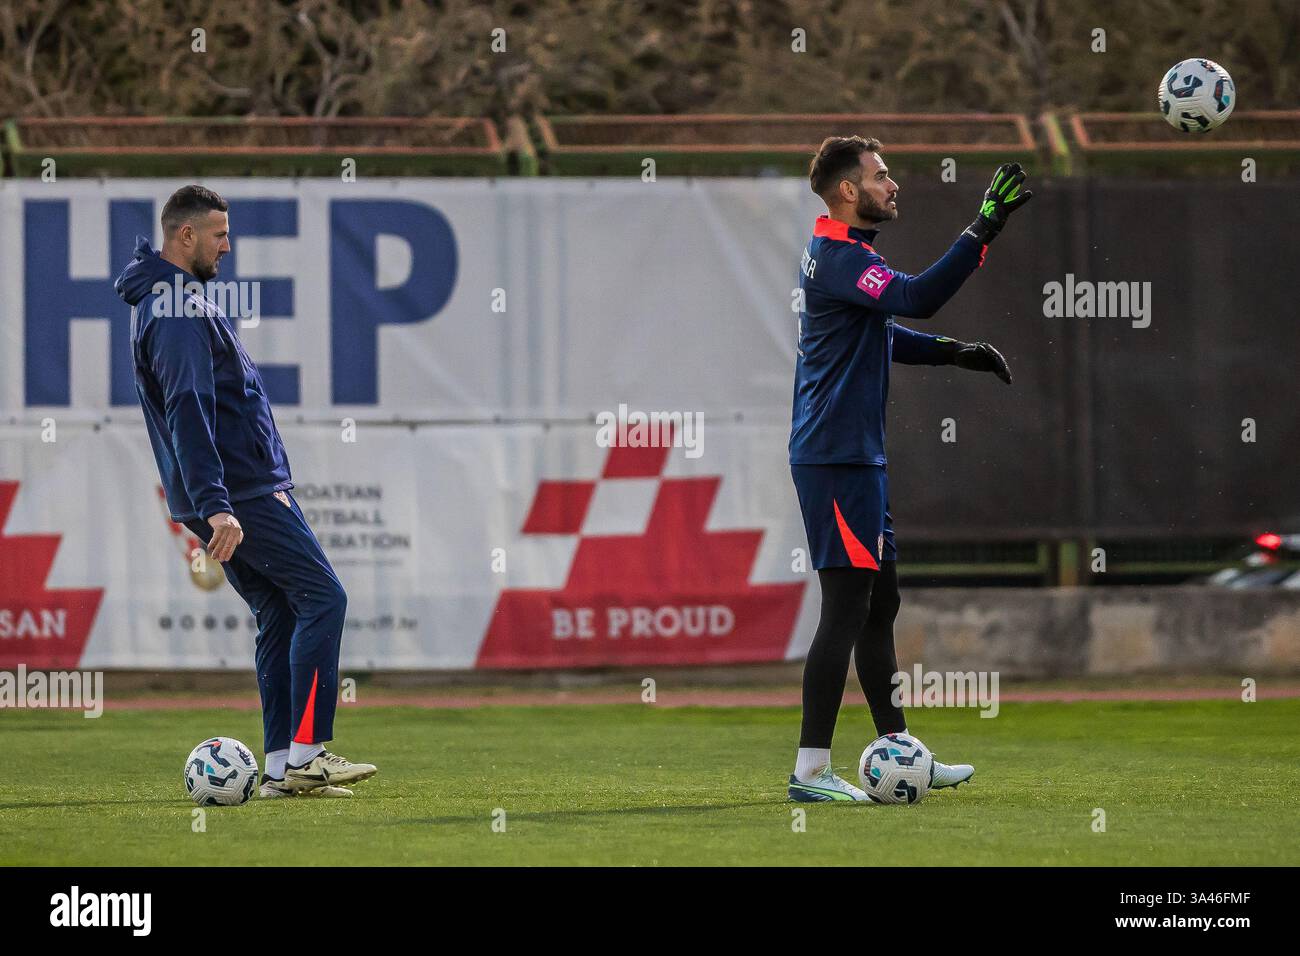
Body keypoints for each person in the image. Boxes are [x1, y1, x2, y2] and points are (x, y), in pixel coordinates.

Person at [787, 137, 1030, 802]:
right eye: (880, 175)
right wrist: (984, 227)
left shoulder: (848, 253)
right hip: (834, 458)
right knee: (845, 608)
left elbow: (884, 332)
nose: (893, 185)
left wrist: (953, 354)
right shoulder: (839, 257)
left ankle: (901, 751)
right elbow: (917, 297)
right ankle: (810, 771)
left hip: (857, 457)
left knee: (879, 606)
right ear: (847, 191)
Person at [116, 185, 377, 799]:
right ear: (185, 237)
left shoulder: (167, 302)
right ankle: (311, 754)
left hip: (233, 488)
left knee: (280, 612)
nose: (227, 246)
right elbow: (188, 404)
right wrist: (215, 502)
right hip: (241, 490)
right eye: (218, 235)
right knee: (324, 599)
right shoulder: (175, 306)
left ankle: (283, 769)